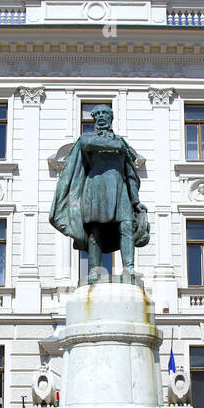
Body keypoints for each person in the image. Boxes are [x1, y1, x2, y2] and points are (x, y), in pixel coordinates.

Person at [49, 105, 149, 280]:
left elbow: (130, 174)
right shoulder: (88, 138)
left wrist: (135, 200)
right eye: (97, 114)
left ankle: (129, 269)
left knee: (126, 226)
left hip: (120, 190)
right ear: (93, 119)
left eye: (105, 113)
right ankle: (95, 270)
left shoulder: (121, 143)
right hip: (95, 188)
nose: (101, 117)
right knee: (95, 231)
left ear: (111, 118)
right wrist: (119, 146)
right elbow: (88, 144)